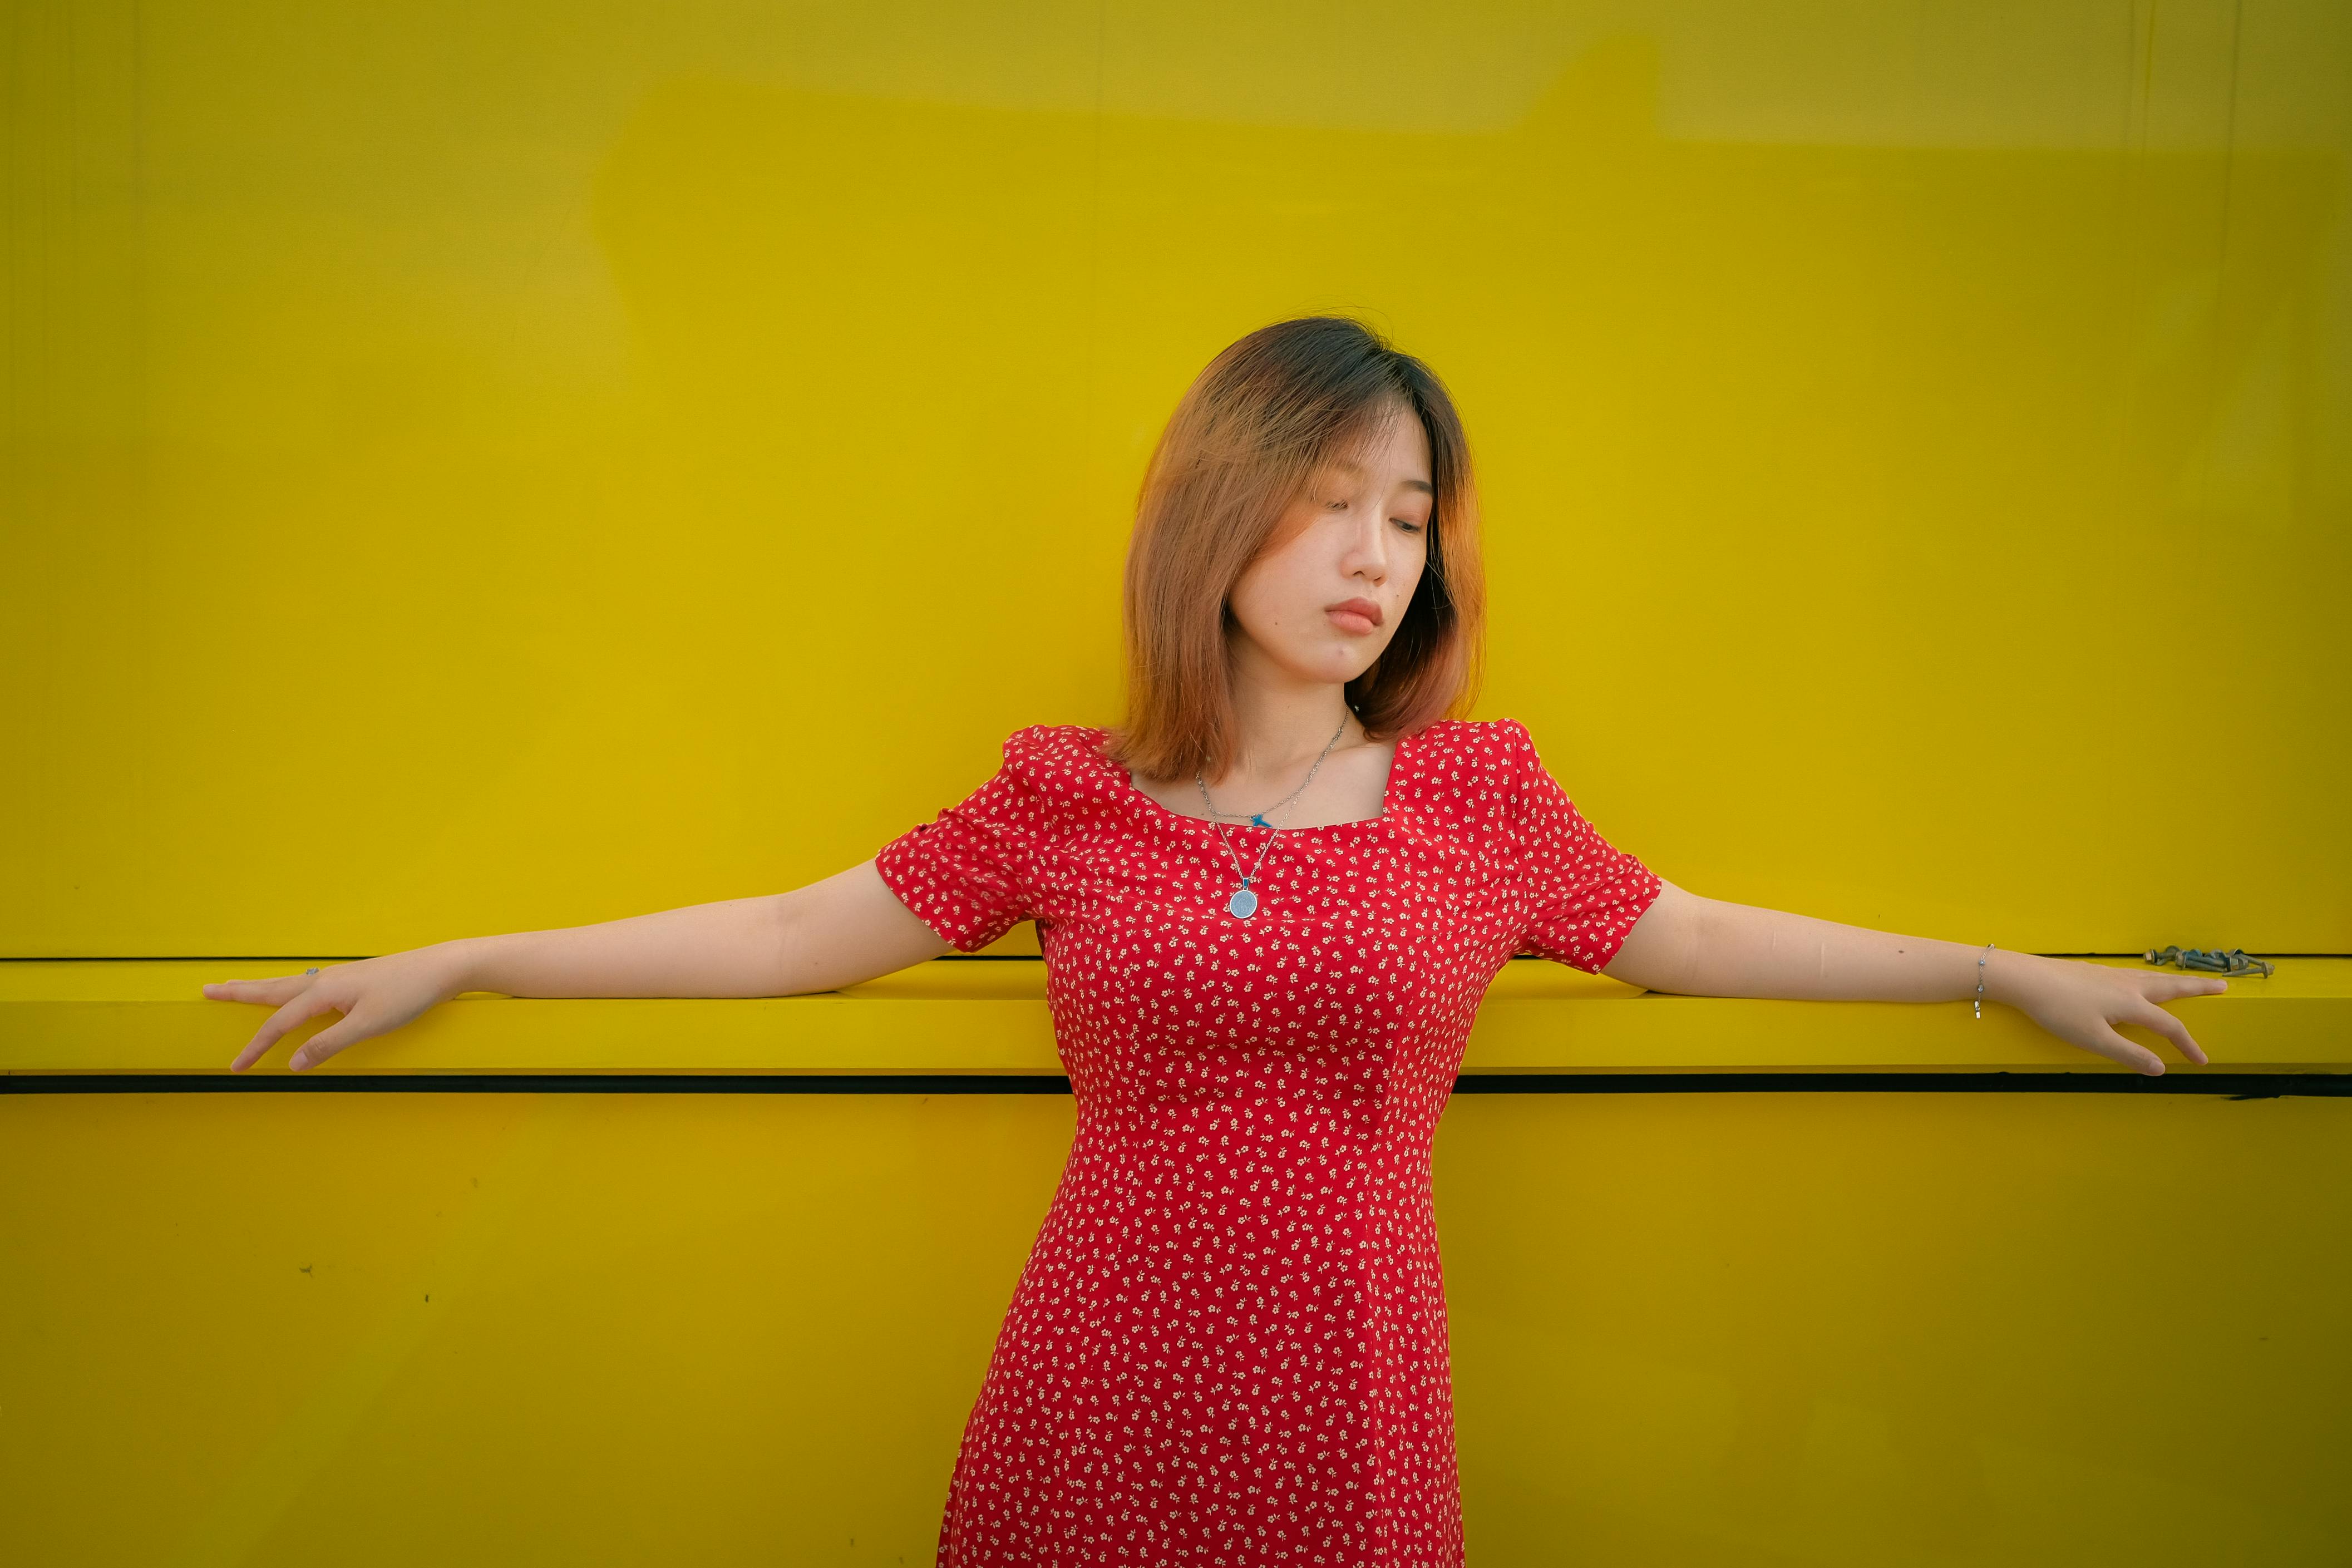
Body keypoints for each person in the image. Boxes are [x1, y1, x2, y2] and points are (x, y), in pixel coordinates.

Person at [203, 315, 2225, 1565]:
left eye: (1410, 513)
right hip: (1095, 1378)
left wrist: (1991, 969)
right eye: (1330, 496)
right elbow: (795, 930)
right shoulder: (1065, 795)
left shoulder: (1475, 795)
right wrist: (470, 953)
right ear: (1219, 510)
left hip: (1350, 1392)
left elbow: (1689, 936)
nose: (1372, 553)